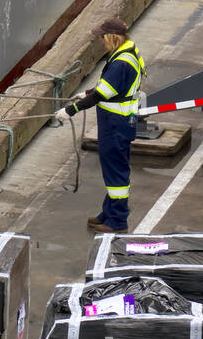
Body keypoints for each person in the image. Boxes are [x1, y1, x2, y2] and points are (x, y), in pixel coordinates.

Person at [62, 18, 145, 233]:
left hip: (115, 125)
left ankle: (117, 221)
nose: (100, 41)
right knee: (114, 170)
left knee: (115, 173)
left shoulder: (120, 63)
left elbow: (103, 94)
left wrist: (71, 110)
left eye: (102, 37)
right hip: (119, 122)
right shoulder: (128, 52)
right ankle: (108, 213)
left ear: (112, 37)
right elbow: (113, 88)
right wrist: (88, 93)